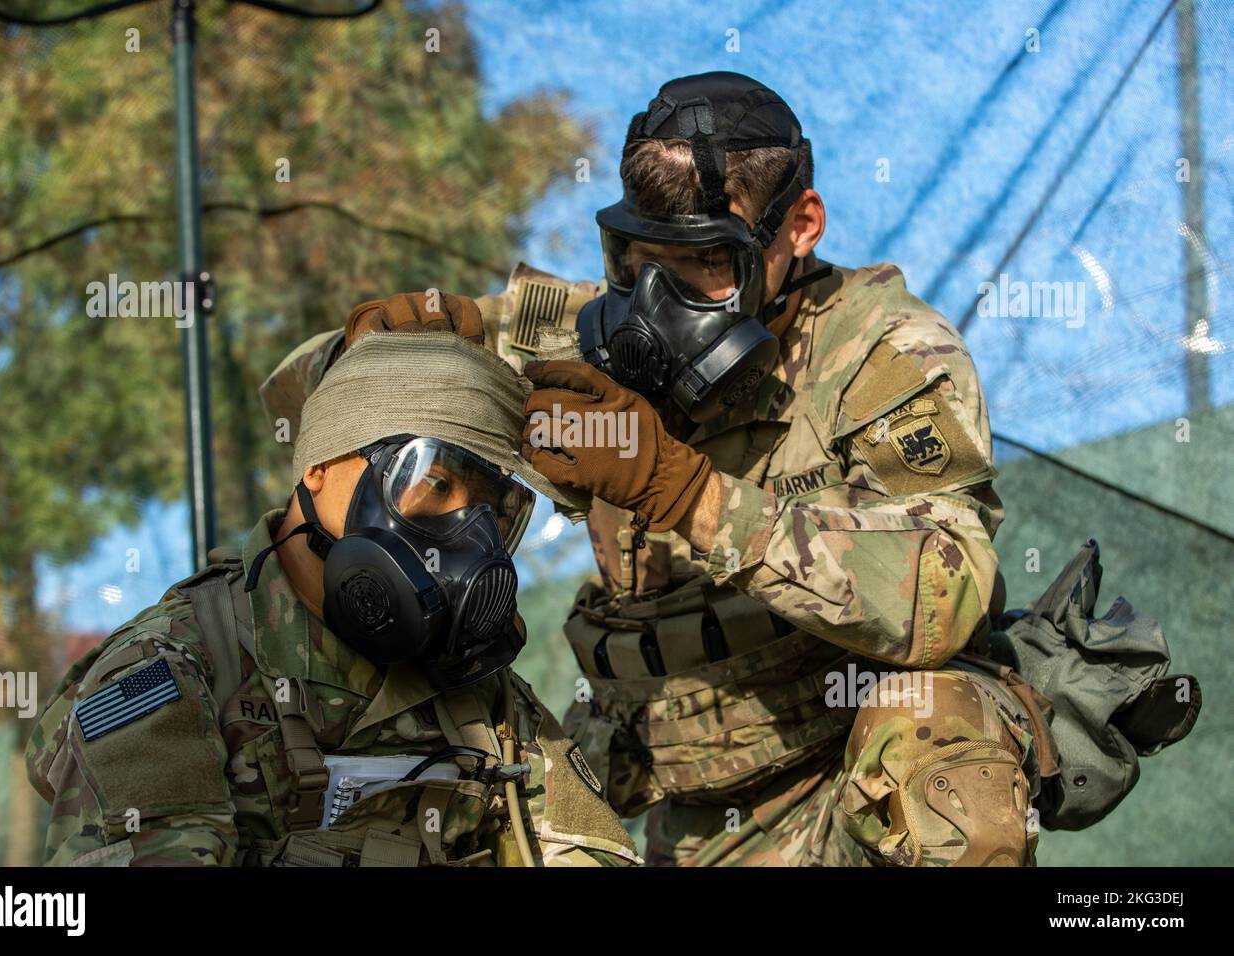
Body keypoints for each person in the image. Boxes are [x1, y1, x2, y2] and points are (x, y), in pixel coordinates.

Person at [256, 74, 1045, 867]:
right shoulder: (576, 330)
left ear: (800, 226)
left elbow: (949, 594)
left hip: (846, 781)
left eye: (708, 261)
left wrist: (688, 492)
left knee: (945, 752)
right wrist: (374, 350)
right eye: (638, 259)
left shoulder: (884, 351)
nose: (658, 301)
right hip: (674, 793)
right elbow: (303, 408)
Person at [25, 307, 640, 867]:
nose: (461, 534)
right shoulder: (163, 674)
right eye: (433, 482)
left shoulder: (478, 690)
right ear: (319, 464)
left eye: (489, 510)